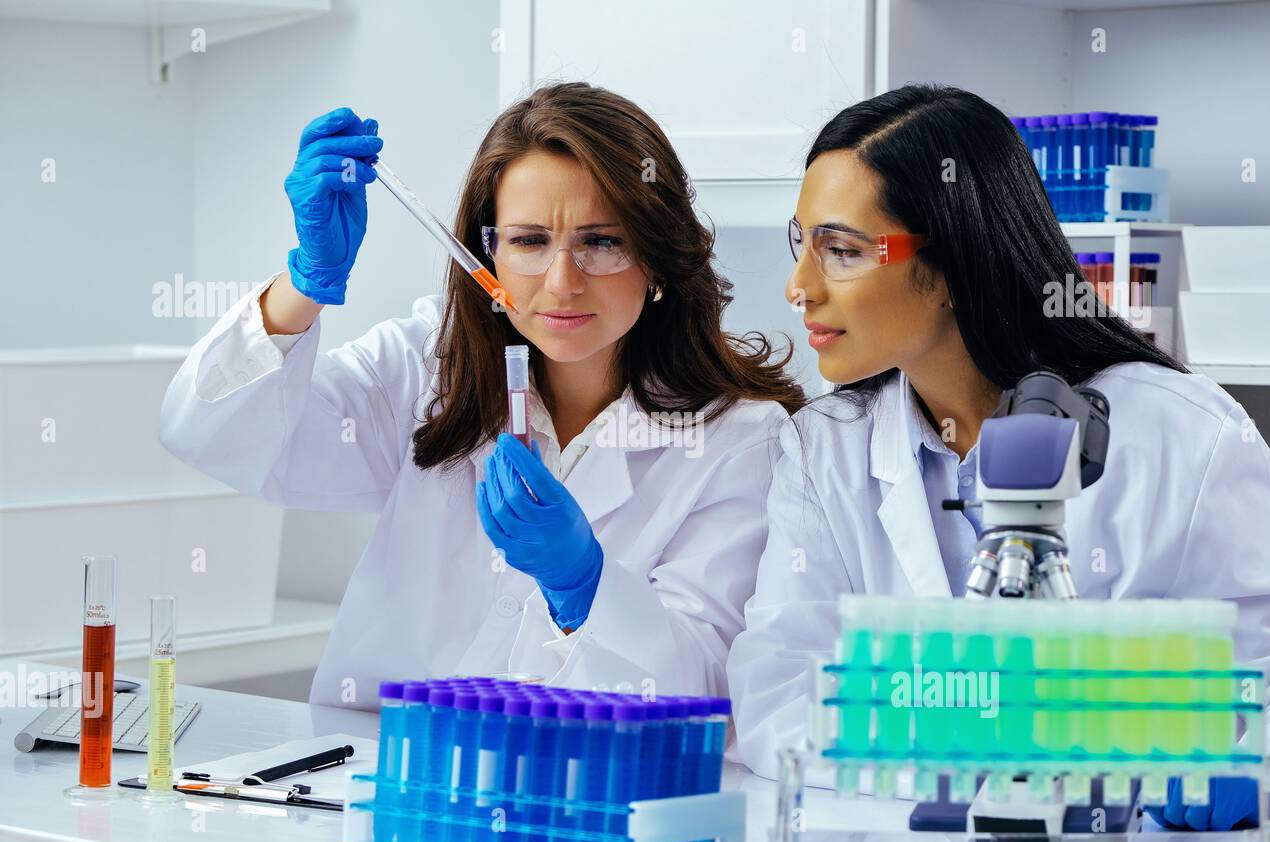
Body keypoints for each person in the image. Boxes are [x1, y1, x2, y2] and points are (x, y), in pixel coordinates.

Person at [727, 84, 1270, 831]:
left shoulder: (1183, 435)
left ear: (956, 257)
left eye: (842, 251)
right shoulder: (827, 449)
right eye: (803, 244)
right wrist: (978, 752)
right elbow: (779, 691)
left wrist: (1255, 772)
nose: (798, 288)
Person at [160, 83, 804, 709]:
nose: (562, 281)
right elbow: (210, 436)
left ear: (658, 256)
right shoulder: (425, 367)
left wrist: (583, 585)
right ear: (486, 257)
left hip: (573, 786)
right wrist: (306, 283)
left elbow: (705, 688)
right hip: (375, 769)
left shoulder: (738, 438)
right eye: (528, 241)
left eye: (601, 242)